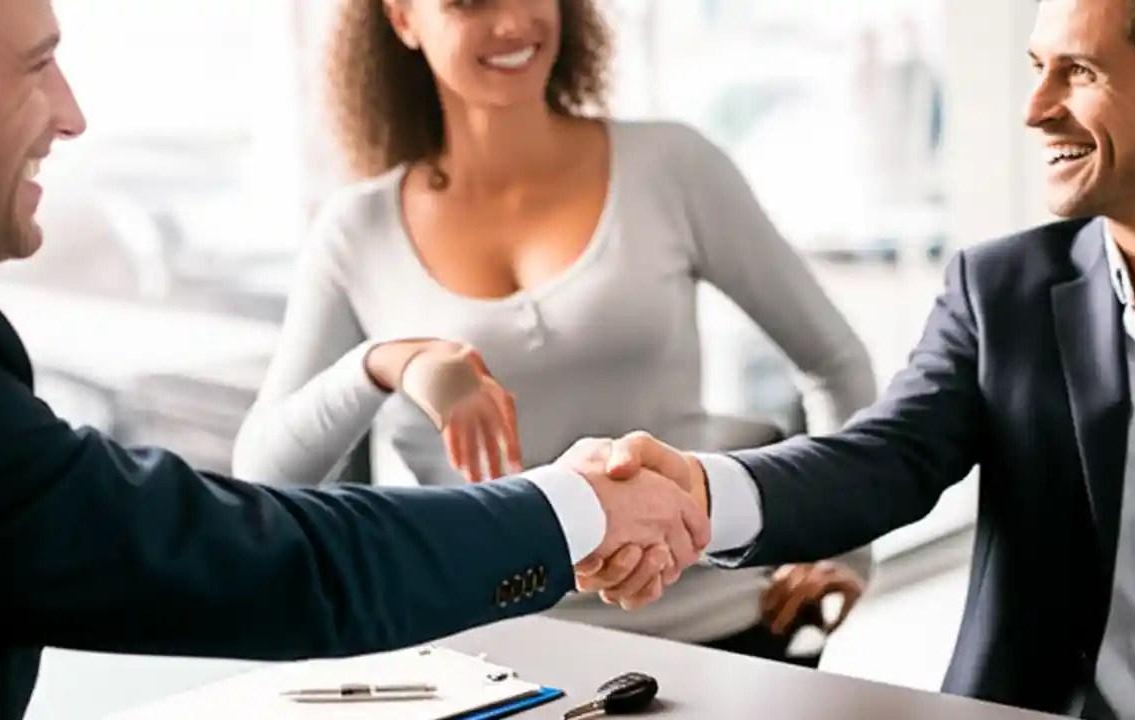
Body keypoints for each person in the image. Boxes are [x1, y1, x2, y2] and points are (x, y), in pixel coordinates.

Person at [0, 1, 713, 718]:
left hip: (695, 624)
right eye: (36, 66)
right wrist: (565, 505)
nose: (71, 115)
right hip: (510, 643)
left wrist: (833, 564)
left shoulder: (668, 162)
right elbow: (243, 539)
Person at [231, 0, 876, 664]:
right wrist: (386, 363)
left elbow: (833, 360)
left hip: (723, 634)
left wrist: (846, 550)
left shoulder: (672, 165)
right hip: (490, 657)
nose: (511, 24)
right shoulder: (356, 231)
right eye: (469, 2)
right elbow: (263, 476)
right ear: (401, 19)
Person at [584, 0, 1135, 716]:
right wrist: (696, 492)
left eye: (1079, 72)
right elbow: (884, 460)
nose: (1036, 109)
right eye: (1037, 68)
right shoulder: (1003, 292)